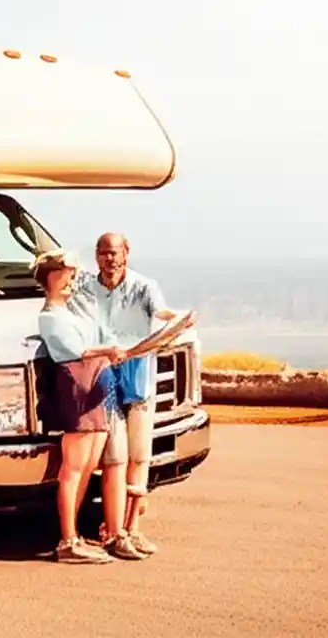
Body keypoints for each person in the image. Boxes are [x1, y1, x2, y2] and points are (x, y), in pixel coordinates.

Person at [69, 232, 193, 559]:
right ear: (97, 256)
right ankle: (112, 530)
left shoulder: (144, 286)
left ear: (126, 253)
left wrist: (180, 319)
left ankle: (132, 528)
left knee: (139, 455)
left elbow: (162, 313)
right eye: (104, 253)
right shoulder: (85, 288)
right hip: (103, 373)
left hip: (138, 371)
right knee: (114, 456)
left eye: (115, 252)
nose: (110, 259)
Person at [32, 249, 127, 564]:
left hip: (95, 386)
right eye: (66, 274)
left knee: (88, 464)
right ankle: (67, 539)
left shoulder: (71, 312)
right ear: (51, 277)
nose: (72, 279)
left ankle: (73, 535)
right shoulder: (49, 317)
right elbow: (73, 350)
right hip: (77, 385)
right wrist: (108, 350)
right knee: (72, 467)